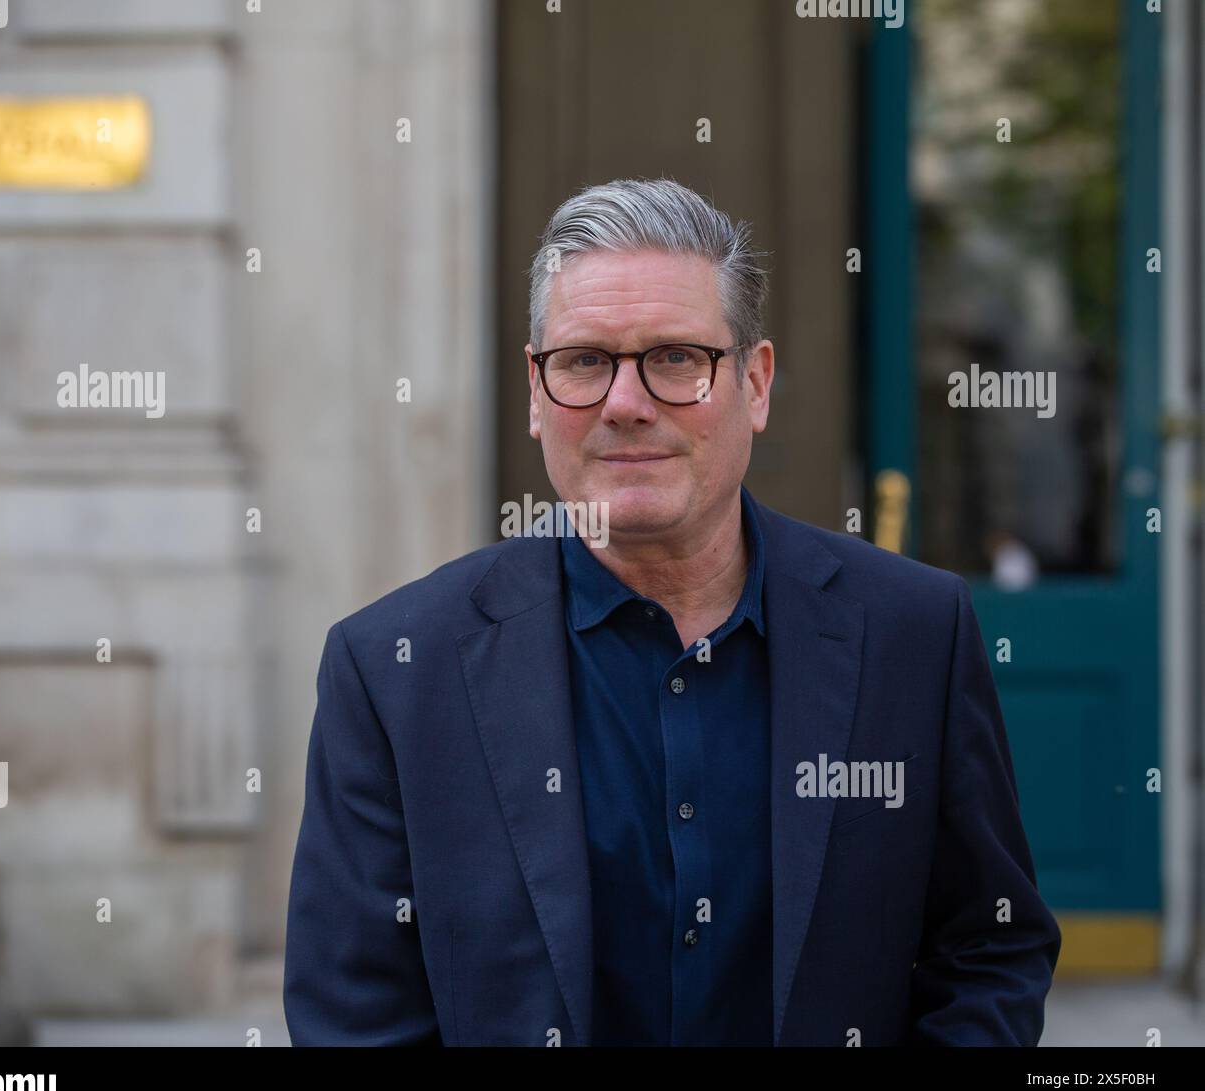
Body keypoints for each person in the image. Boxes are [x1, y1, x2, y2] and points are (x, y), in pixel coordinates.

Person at [283, 177, 1061, 1046]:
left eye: (677, 358)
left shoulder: (914, 632)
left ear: (756, 385)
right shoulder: (393, 668)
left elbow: (989, 950)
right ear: (536, 395)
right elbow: (352, 1016)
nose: (625, 402)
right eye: (584, 361)